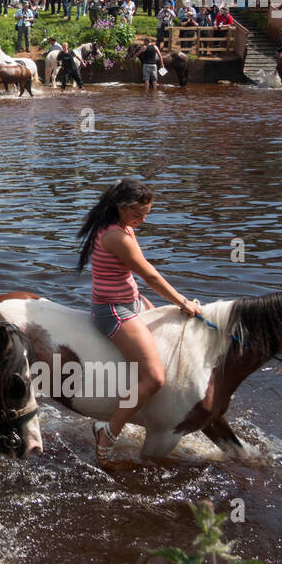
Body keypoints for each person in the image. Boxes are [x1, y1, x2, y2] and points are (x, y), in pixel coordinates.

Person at [76, 179, 202, 461]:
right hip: (114, 312)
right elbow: (150, 275)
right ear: (121, 208)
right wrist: (182, 301)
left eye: (146, 213)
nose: (143, 220)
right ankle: (108, 430)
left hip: (131, 301)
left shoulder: (122, 227)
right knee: (155, 378)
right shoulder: (116, 237)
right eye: (138, 214)